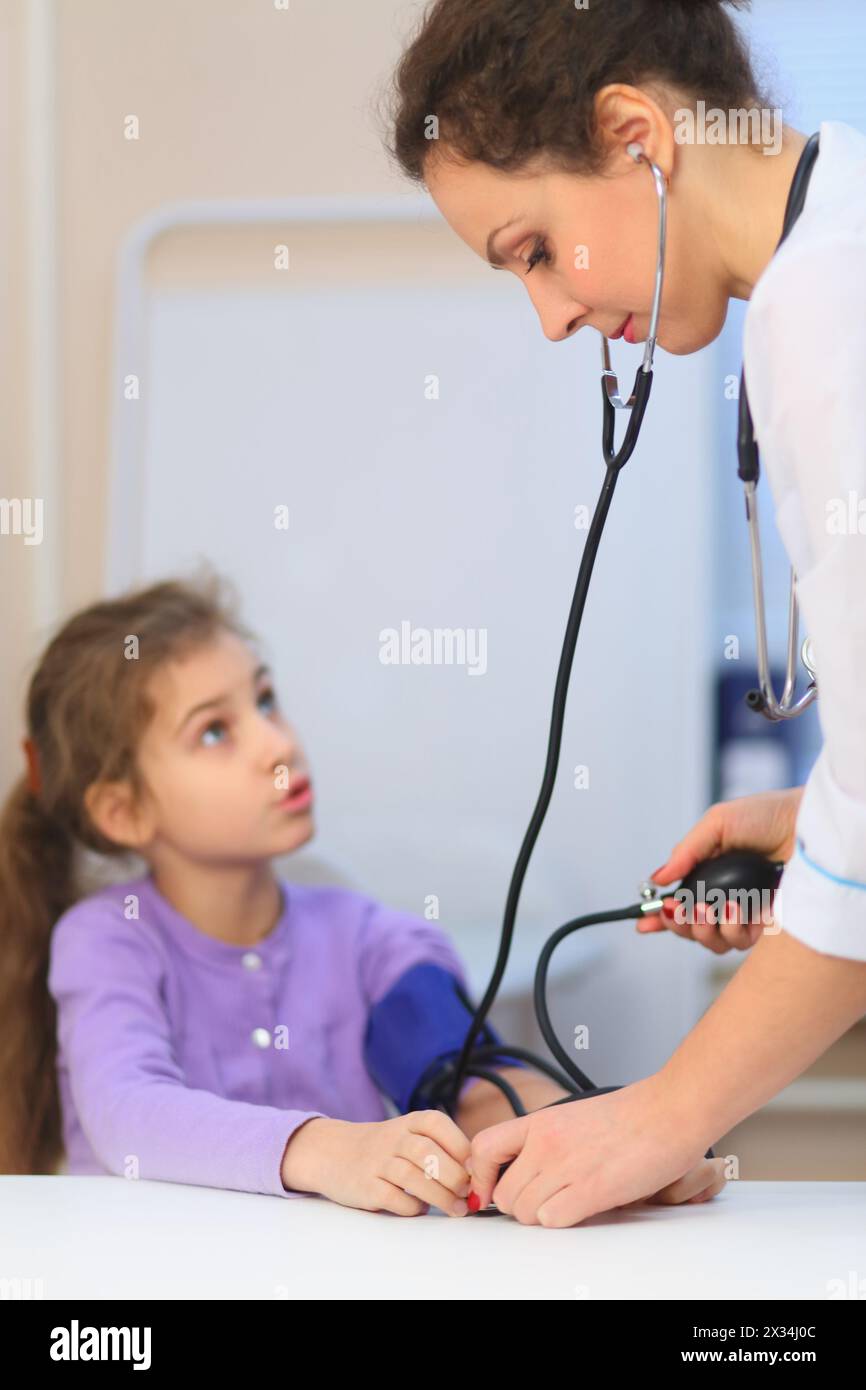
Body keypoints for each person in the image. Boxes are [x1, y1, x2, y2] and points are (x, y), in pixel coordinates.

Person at [386, 0, 866, 1225]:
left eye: (532, 248)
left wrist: (657, 1117)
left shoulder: (826, 307)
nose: (547, 318)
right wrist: (812, 820)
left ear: (638, 138)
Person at [0, 564, 724, 1214]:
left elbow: (467, 1083)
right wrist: (329, 1149)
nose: (277, 743)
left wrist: (612, 1150)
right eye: (215, 732)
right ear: (122, 809)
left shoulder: (369, 938)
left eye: (265, 699)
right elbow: (127, 1113)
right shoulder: (106, 939)